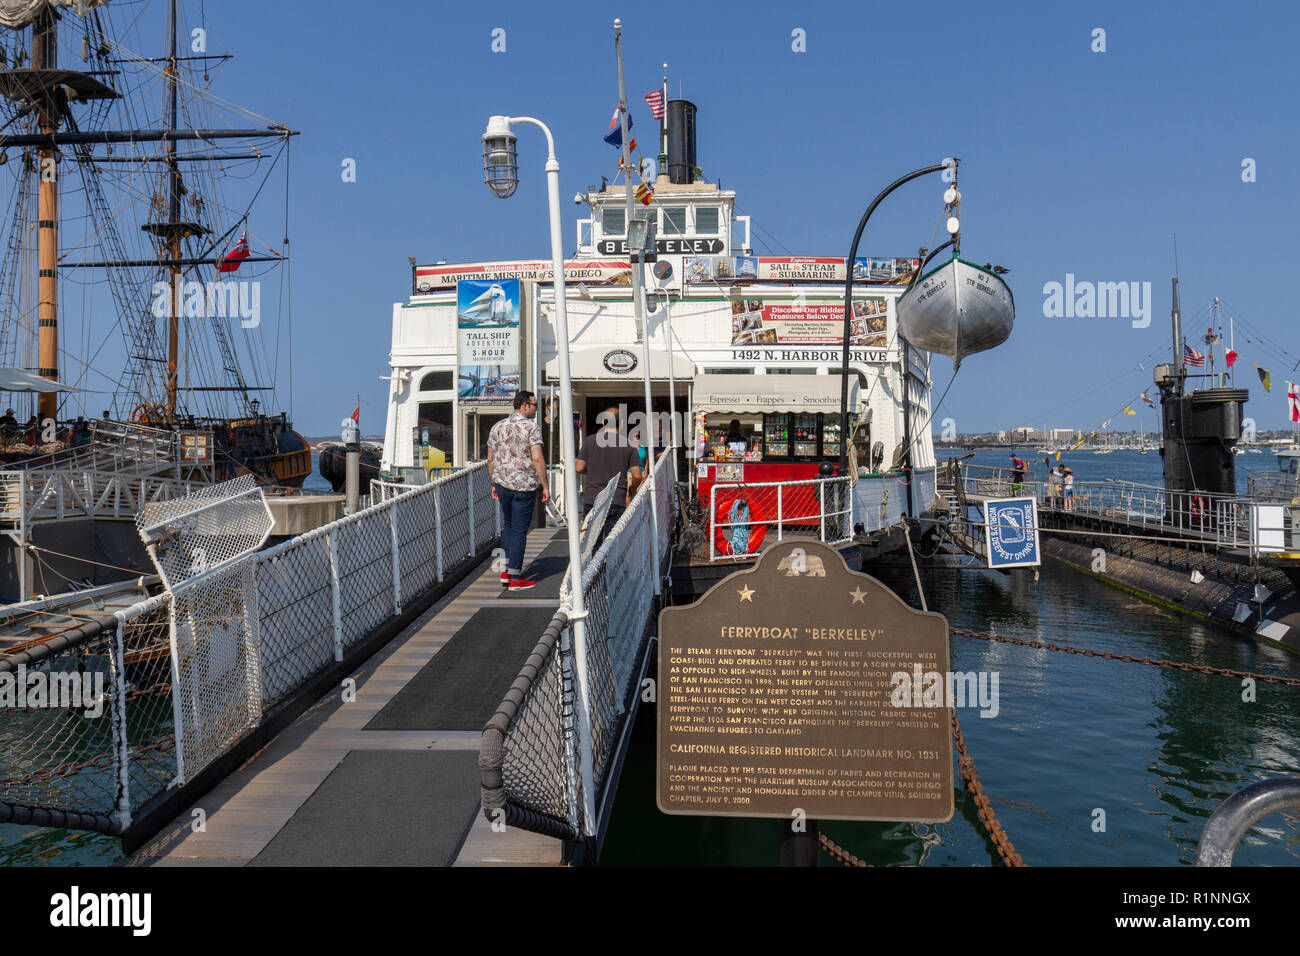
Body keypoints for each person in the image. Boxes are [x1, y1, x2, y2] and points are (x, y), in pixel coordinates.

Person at [486, 390, 550, 591]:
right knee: (521, 531)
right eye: (534, 405)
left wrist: (493, 483)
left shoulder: (497, 427)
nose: (536, 409)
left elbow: (490, 458)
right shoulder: (531, 428)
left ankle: (505, 573)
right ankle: (515, 578)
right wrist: (545, 485)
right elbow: (538, 458)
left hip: (503, 484)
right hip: (524, 485)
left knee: (510, 527)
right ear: (524, 405)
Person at [577, 405, 643, 547]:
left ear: (603, 422)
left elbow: (579, 467)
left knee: (592, 545)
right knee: (613, 545)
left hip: (593, 499)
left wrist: (593, 469)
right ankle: (609, 569)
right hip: (616, 500)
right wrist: (631, 489)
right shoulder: (628, 445)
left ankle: (594, 569)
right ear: (622, 423)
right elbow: (638, 475)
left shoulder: (589, 441)